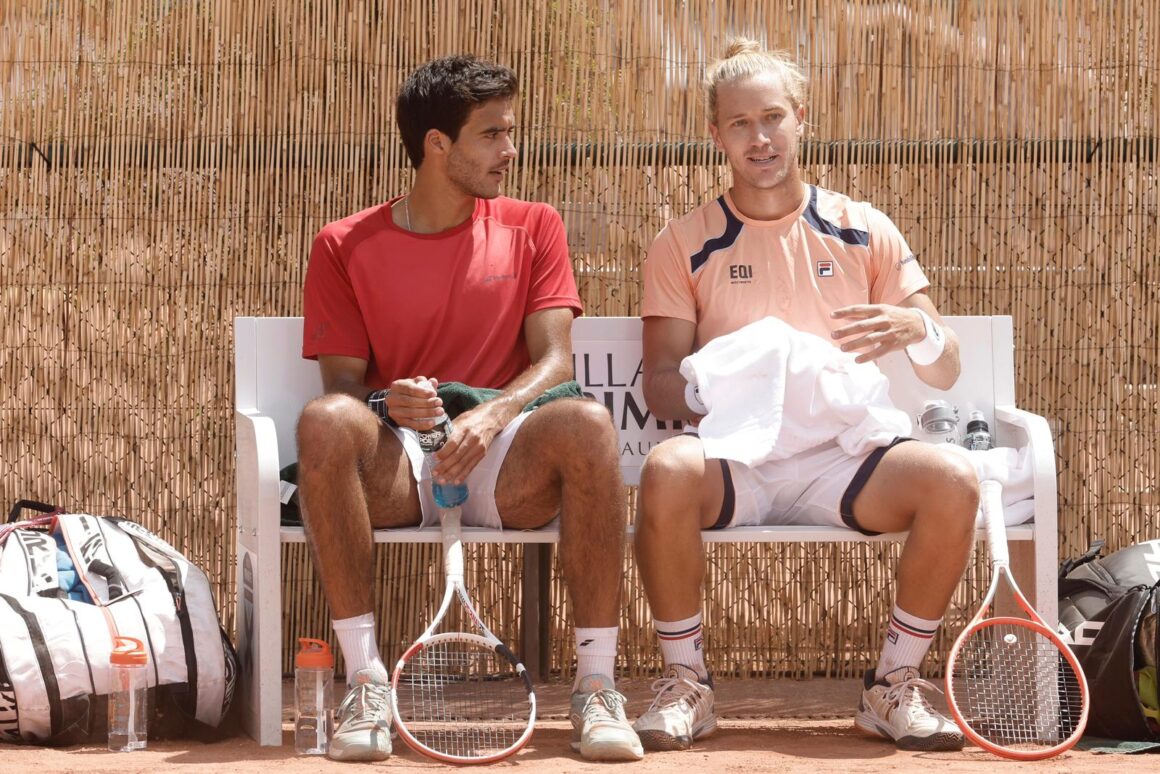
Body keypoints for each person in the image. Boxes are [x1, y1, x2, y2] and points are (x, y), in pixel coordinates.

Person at [632, 39, 979, 753]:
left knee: (954, 478)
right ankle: (687, 685)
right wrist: (746, 383)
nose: (759, 139)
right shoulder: (683, 240)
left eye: (773, 118)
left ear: (802, 120)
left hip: (844, 458)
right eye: (739, 124)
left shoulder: (863, 226)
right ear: (715, 134)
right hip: (739, 458)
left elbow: (945, 368)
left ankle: (894, 685)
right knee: (666, 470)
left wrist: (918, 327)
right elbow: (661, 383)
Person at [296, 55, 642, 763]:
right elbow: (342, 386)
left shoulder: (535, 225)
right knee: (325, 422)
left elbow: (555, 362)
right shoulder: (341, 244)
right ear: (437, 145)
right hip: (399, 467)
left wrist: (491, 417)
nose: (509, 152)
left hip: (504, 462)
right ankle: (365, 682)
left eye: (509, 133)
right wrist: (388, 400)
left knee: (589, 423)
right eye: (491, 135)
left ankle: (597, 689)